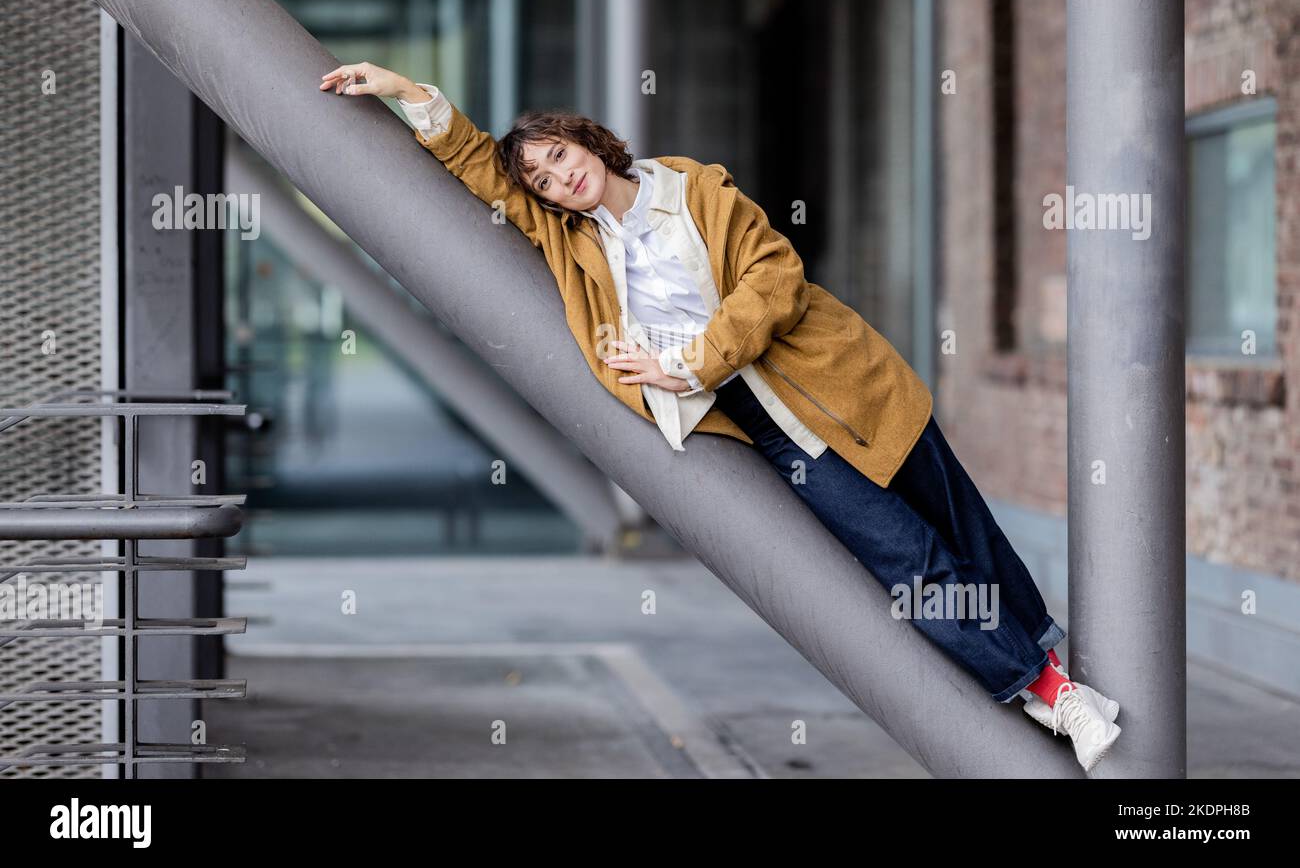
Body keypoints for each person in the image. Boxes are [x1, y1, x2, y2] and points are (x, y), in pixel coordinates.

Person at [318, 61, 1123, 772]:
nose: (557, 181)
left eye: (559, 156)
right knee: (910, 564)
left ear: (589, 143)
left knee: (966, 532)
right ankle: (1047, 695)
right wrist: (402, 92)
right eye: (541, 179)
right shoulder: (570, 238)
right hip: (776, 430)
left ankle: (1046, 660)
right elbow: (475, 166)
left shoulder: (698, 190)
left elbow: (773, 278)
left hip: (849, 384)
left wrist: (689, 362)